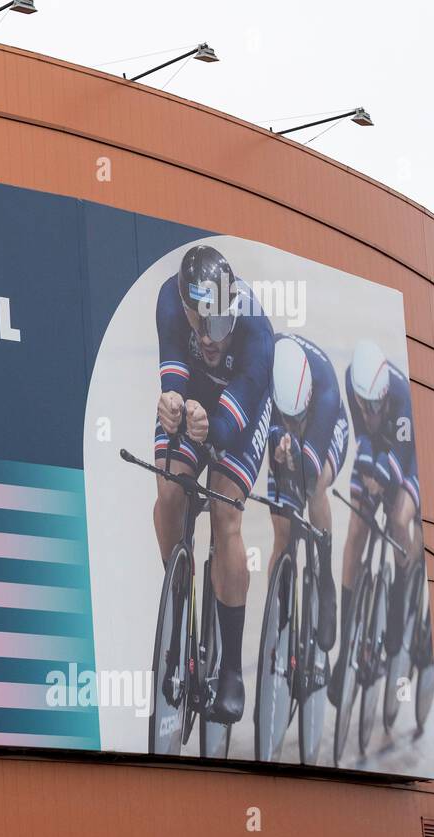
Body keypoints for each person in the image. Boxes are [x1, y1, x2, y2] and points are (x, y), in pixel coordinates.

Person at [153, 245, 273, 723]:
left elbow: (227, 427)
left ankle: (231, 671)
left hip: (240, 409)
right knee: (168, 492)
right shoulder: (168, 300)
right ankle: (177, 606)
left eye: (220, 325)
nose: (211, 338)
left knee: (225, 513)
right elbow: (174, 382)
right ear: (184, 307)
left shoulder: (257, 333)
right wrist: (172, 405)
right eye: (200, 325)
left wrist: (210, 431)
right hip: (198, 395)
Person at [329, 339, 423, 706]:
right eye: (364, 405)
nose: (369, 411)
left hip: (409, 454)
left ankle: (400, 594)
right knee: (357, 527)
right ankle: (344, 645)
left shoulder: (401, 398)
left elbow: (399, 459)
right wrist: (369, 473)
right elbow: (363, 434)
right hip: (377, 446)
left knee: (399, 518)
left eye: (375, 406)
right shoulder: (354, 379)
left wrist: (379, 478)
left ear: (385, 396)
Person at [266, 334, 348, 649]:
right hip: (282, 426)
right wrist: (280, 443)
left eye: (296, 416)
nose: (293, 422)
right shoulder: (265, 369)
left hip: (325, 428)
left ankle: (325, 577)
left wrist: (297, 451)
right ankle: (278, 610)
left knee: (315, 488)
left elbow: (310, 471)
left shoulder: (325, 386)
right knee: (282, 532)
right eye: (290, 416)